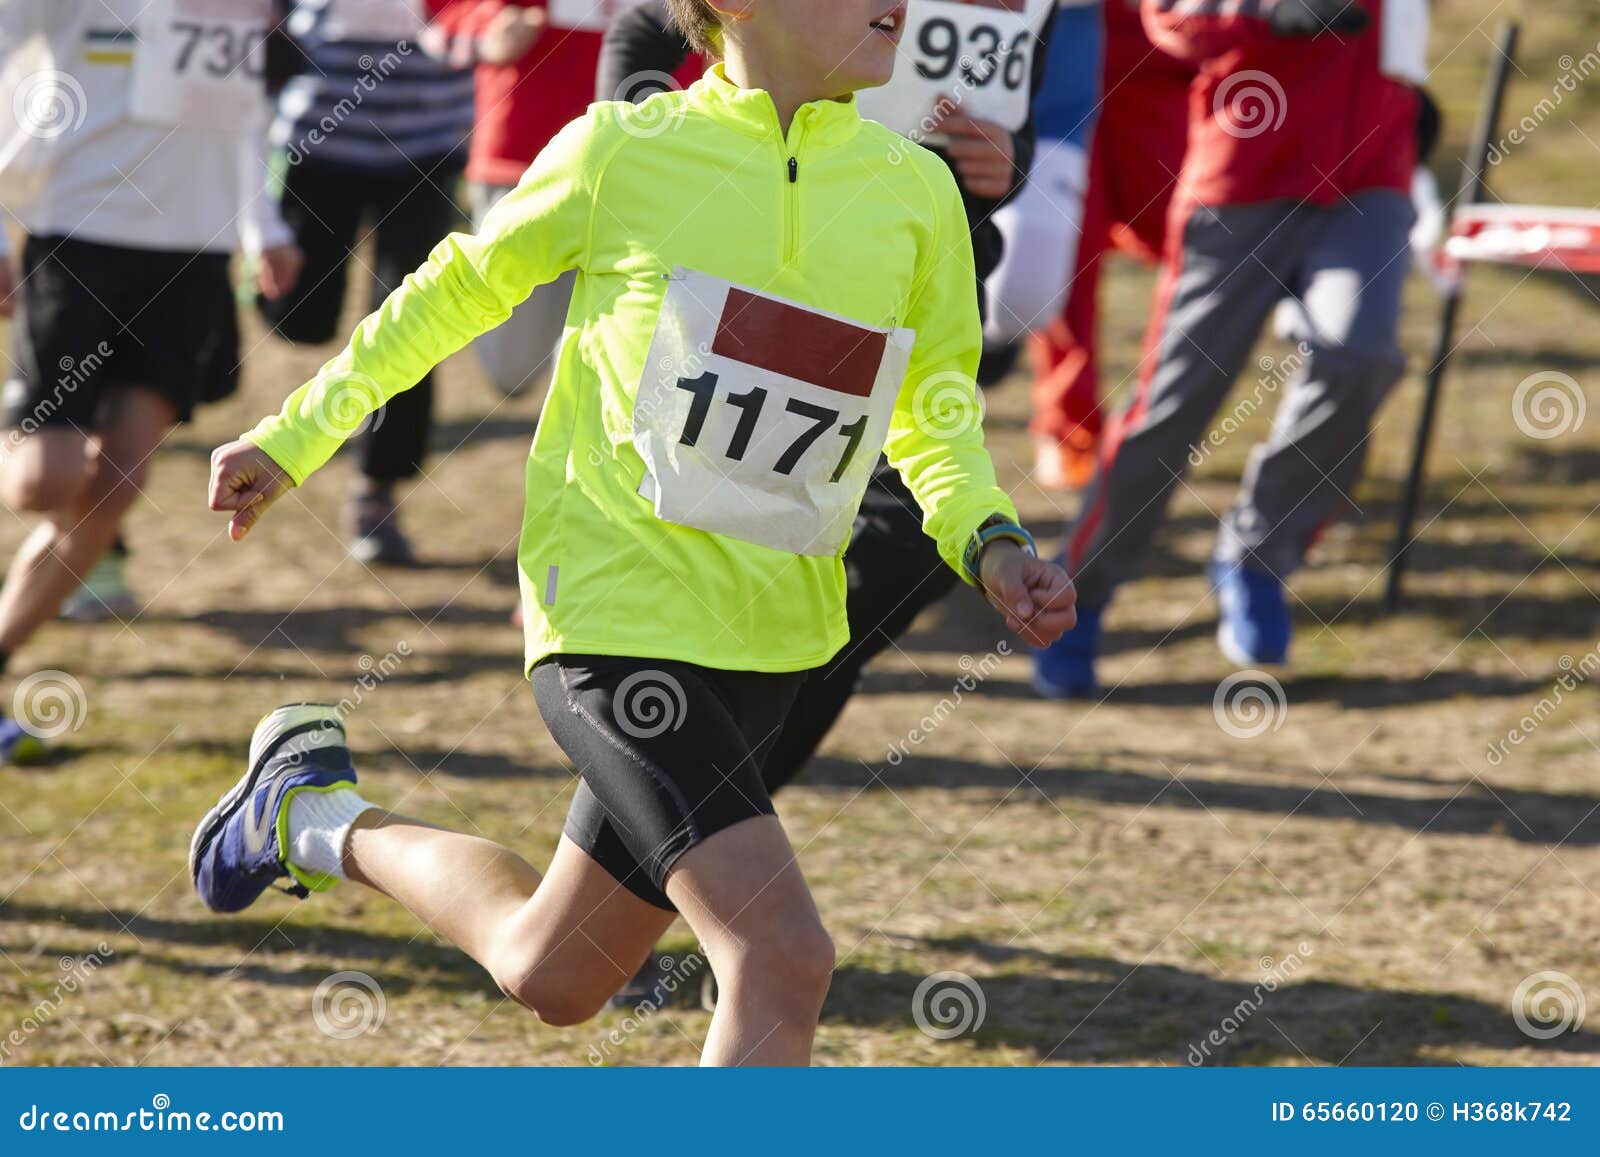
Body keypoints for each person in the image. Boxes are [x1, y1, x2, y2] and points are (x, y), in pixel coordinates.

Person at [190, 0, 1078, 1065]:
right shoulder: (622, 150)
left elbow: (933, 412)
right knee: (780, 952)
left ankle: (307, 814)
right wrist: (296, 435)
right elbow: (454, 291)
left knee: (552, 970)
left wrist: (989, 541)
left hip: (775, 639)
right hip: (616, 613)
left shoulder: (916, 190)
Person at [596, 0, 1055, 1006]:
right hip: (748, 299)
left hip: (906, 297)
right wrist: (663, 148)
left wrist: (1005, 164)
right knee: (733, 612)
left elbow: (1007, 109)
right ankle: (674, 888)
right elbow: (644, 30)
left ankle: (680, 874)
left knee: (861, 590)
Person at [1033, 0, 1422, 698]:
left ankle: (1257, 555)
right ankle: (1079, 595)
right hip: (1246, 176)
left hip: (1373, 179)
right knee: (1172, 409)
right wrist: (1268, 12)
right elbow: (1169, 17)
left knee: (1359, 357)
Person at [0, 0, 299, 759]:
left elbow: (237, 111)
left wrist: (263, 224)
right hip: (77, 233)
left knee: (118, 485)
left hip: (194, 254)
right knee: (42, 482)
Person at [257, 0, 476, 565]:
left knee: (409, 321)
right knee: (297, 317)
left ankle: (376, 491)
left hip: (429, 138)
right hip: (321, 128)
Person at [429, 0, 703, 399]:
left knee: (625, 365)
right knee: (512, 367)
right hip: (525, 155)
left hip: (660, 161)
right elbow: (437, 11)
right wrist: (485, 29)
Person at [1025, 0, 1192, 491]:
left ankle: (1166, 420)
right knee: (1066, 255)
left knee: (1193, 236)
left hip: (1159, 50)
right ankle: (1069, 427)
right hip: (1059, 44)